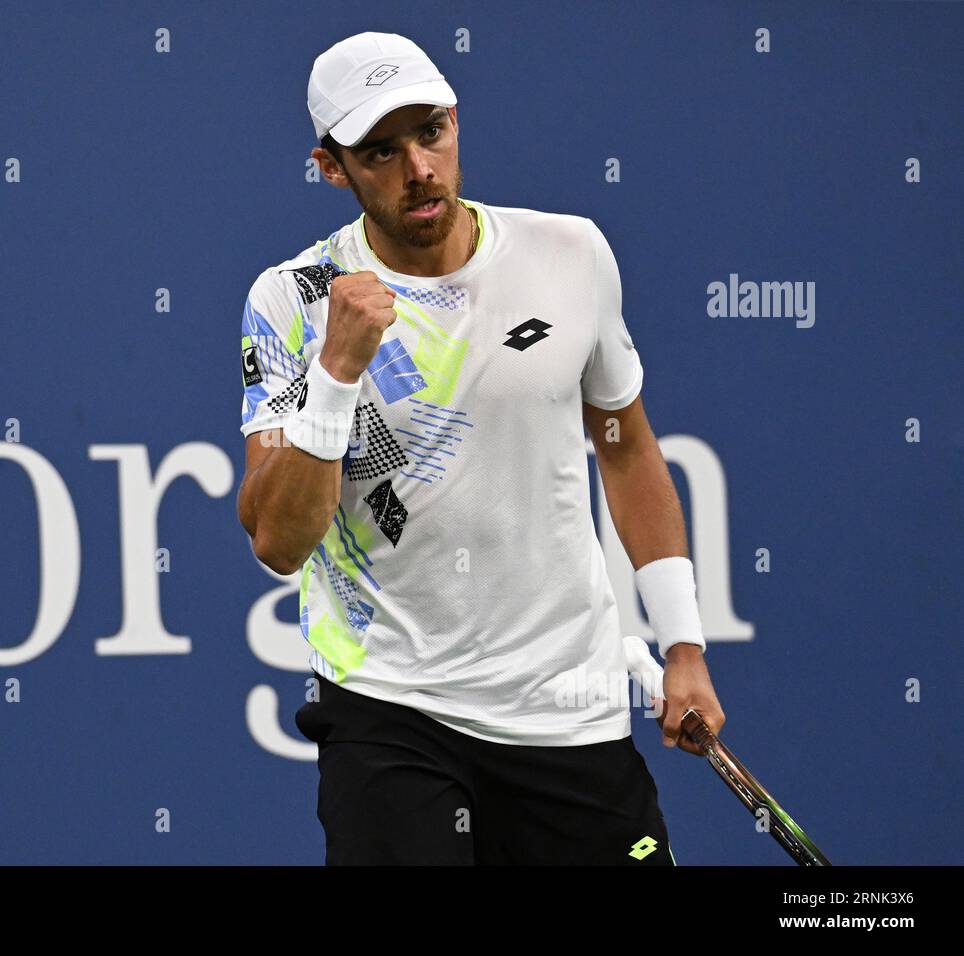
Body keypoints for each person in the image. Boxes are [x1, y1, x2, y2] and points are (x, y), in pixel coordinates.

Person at [236, 31, 725, 865]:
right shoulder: (293, 300)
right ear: (332, 167)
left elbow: (628, 450)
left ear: (455, 123)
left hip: (570, 707)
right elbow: (279, 544)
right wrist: (336, 371)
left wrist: (683, 645)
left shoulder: (572, 254)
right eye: (380, 152)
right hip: (392, 711)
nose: (418, 169)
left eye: (431, 133)